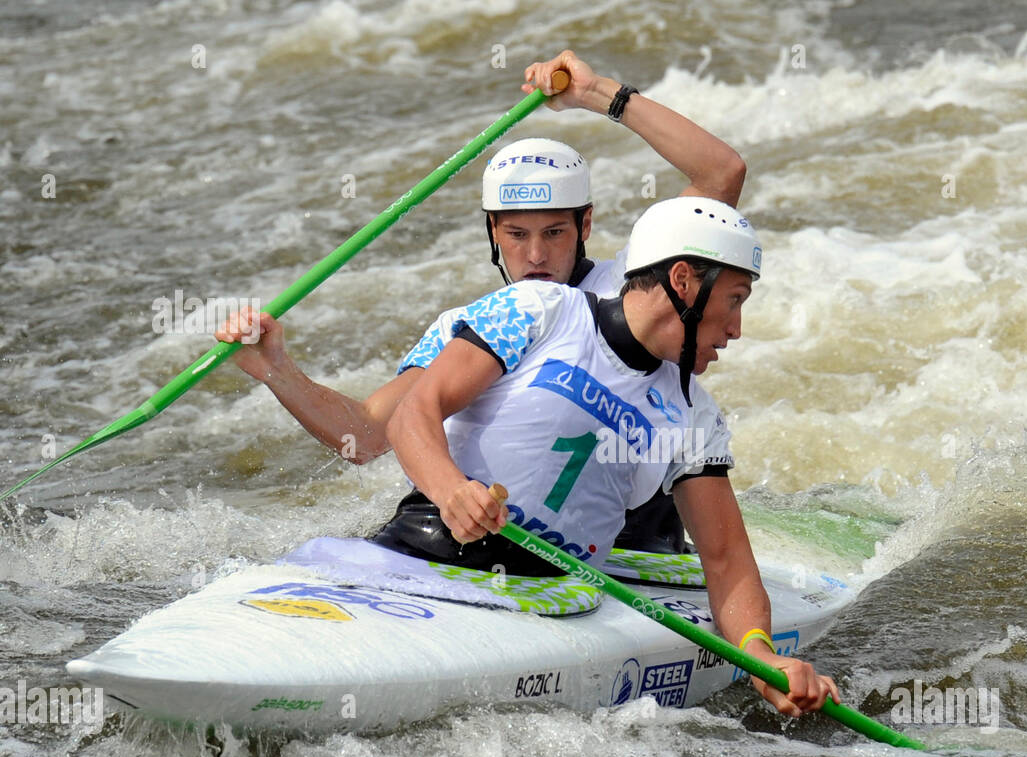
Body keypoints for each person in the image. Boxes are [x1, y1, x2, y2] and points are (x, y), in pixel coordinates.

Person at [214, 51, 744, 552]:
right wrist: (278, 371)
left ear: (586, 224)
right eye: (516, 235)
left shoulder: (635, 286)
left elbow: (722, 173)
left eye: (555, 232)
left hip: (634, 542)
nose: (535, 255)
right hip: (508, 541)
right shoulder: (477, 327)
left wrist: (597, 92)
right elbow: (370, 434)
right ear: (492, 231)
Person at [383, 195, 840, 719]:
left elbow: (726, 562)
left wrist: (759, 654)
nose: (736, 328)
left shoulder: (693, 416)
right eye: (735, 299)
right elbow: (412, 412)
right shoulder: (538, 310)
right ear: (684, 281)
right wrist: (450, 491)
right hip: (421, 555)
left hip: (551, 598)